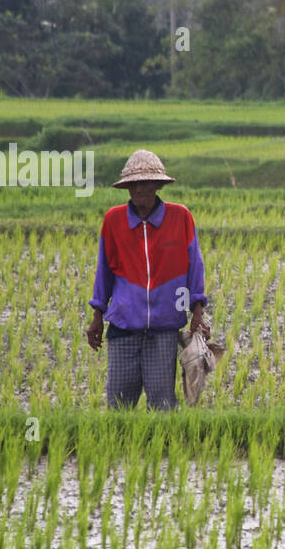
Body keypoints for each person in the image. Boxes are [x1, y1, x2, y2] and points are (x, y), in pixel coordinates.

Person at [85, 150, 209, 409]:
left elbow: (194, 266)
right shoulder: (113, 221)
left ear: (157, 185)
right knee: (119, 405)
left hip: (163, 328)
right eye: (134, 184)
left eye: (146, 182)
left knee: (163, 404)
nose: (140, 188)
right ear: (127, 188)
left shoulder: (180, 218)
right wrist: (97, 315)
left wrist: (197, 312)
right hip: (123, 326)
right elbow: (104, 270)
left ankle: (163, 449)